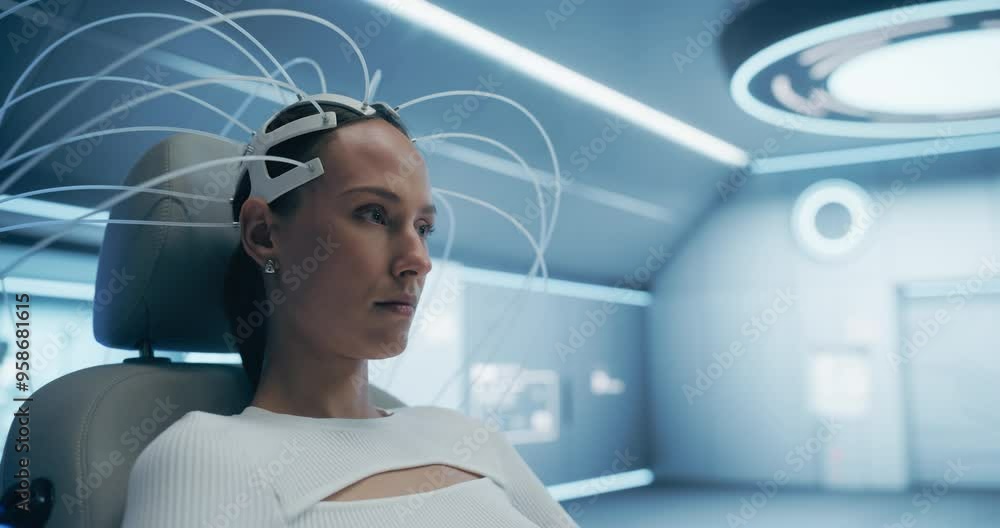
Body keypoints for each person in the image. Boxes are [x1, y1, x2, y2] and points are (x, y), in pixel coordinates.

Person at [119, 98, 580, 527]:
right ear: (263, 234)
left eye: (424, 228)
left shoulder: (464, 434)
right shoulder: (206, 456)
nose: (419, 259)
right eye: (374, 214)